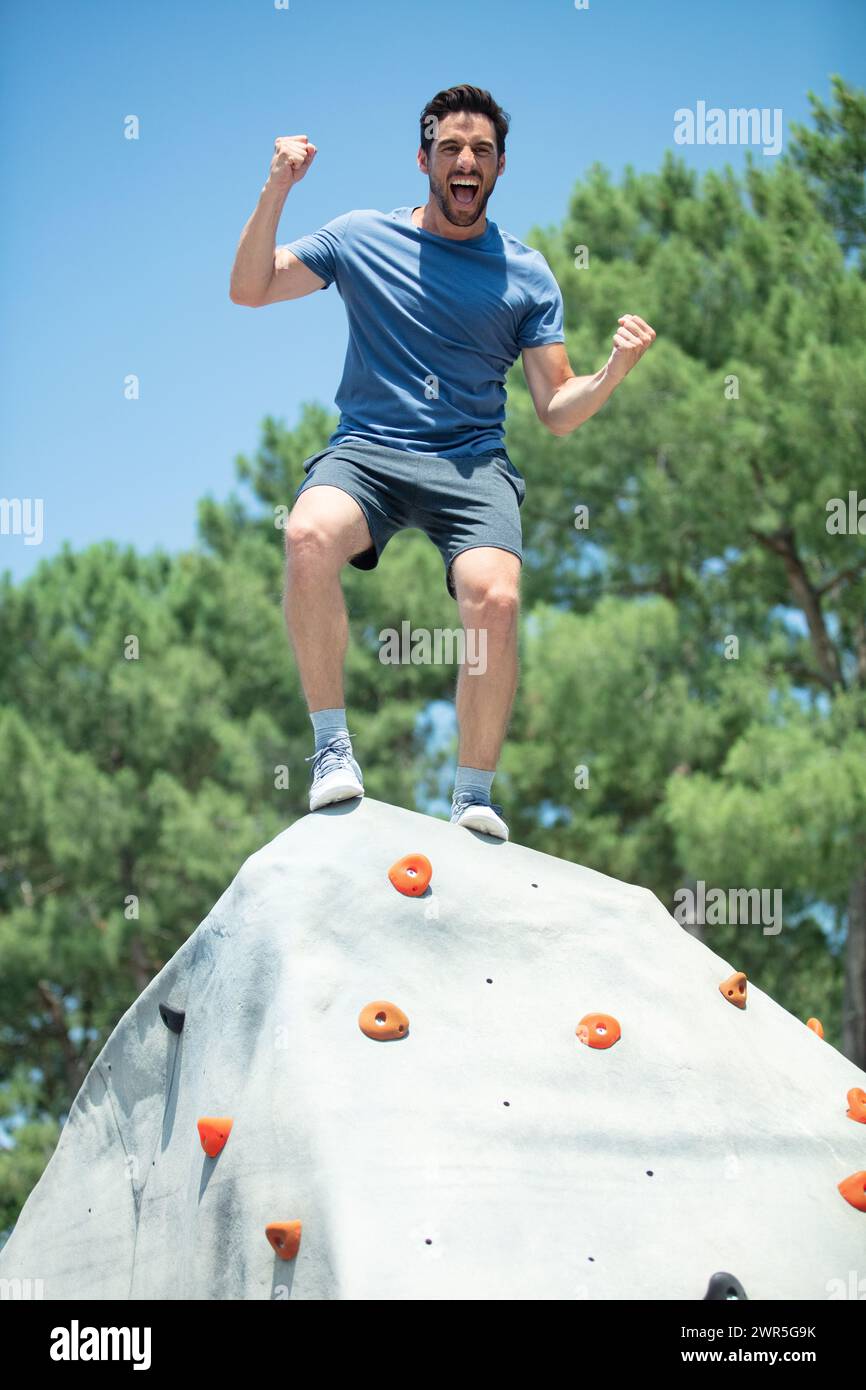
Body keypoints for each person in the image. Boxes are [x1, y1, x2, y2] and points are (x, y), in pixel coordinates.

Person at [229, 84, 655, 840]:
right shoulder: (361, 236)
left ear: (498, 170)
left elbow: (556, 408)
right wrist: (276, 189)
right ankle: (332, 751)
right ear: (424, 158)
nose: (467, 162)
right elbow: (250, 288)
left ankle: (472, 797)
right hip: (369, 453)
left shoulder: (525, 275)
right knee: (306, 535)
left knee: (496, 597)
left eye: (482, 152)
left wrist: (613, 373)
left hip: (470, 466)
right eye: (452, 148)